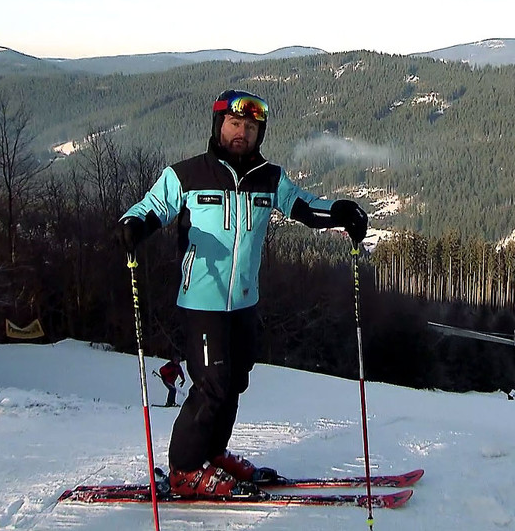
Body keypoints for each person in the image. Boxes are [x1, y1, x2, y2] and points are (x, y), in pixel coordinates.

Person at [116, 90, 368, 497]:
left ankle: (212, 452)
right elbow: (152, 207)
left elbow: (303, 205)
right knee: (212, 386)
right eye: (235, 124)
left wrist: (340, 212)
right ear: (219, 127)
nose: (242, 133)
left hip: (244, 303)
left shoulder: (269, 178)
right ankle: (183, 469)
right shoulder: (187, 175)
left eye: (250, 127)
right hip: (202, 300)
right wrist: (133, 226)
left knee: (234, 383)